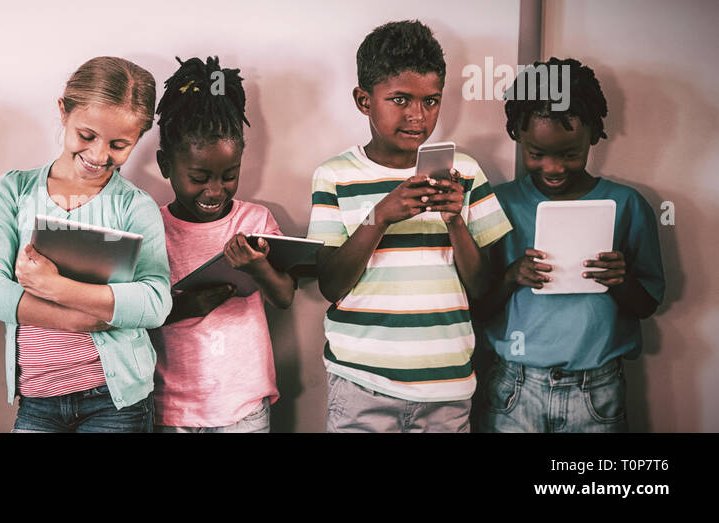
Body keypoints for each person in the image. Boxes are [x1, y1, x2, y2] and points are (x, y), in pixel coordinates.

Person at [306, 21, 513, 432]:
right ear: (364, 101)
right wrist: (378, 217)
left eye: (431, 101)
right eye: (399, 99)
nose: (418, 115)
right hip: (360, 382)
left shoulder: (466, 172)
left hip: (446, 386)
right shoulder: (334, 176)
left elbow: (482, 287)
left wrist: (455, 221)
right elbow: (330, 285)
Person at [0, 56, 171, 433]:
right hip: (39, 399)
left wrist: (57, 288)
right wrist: (76, 319)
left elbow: (156, 301)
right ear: (63, 111)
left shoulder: (135, 205)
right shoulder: (14, 191)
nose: (98, 155)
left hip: (116, 400)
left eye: (119, 145)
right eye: (87, 136)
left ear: (139, 138)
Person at [476, 58, 665, 433]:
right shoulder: (498, 204)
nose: (553, 168)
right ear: (516, 135)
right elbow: (478, 306)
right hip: (515, 386)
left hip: (596, 389)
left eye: (569, 154)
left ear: (594, 135)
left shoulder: (627, 206)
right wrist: (512, 275)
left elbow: (647, 304)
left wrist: (619, 279)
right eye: (536, 153)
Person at [151, 56, 295, 433]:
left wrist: (258, 267)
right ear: (165, 164)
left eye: (229, 176)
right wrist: (182, 307)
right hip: (172, 408)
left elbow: (283, 296)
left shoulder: (255, 222)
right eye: (199, 177)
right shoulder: (154, 228)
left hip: (243, 409)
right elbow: (135, 316)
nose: (215, 190)